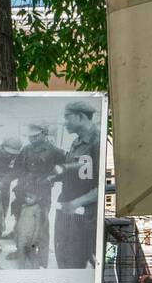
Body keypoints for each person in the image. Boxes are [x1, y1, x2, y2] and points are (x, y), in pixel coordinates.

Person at [53, 100, 101, 269]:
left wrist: (76, 203)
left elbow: (101, 186)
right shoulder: (77, 141)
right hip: (68, 211)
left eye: (67, 117)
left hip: (84, 216)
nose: (65, 122)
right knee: (63, 258)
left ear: (80, 117)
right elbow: (79, 173)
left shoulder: (97, 141)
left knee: (73, 263)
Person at [10, 122, 64, 263]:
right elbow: (17, 169)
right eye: (30, 136)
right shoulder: (26, 150)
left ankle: (42, 258)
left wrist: (50, 178)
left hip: (42, 194)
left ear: (44, 134)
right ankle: (20, 251)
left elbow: (63, 171)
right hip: (23, 192)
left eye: (35, 136)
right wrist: (23, 178)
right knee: (22, 224)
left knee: (42, 225)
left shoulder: (55, 151)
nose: (31, 139)